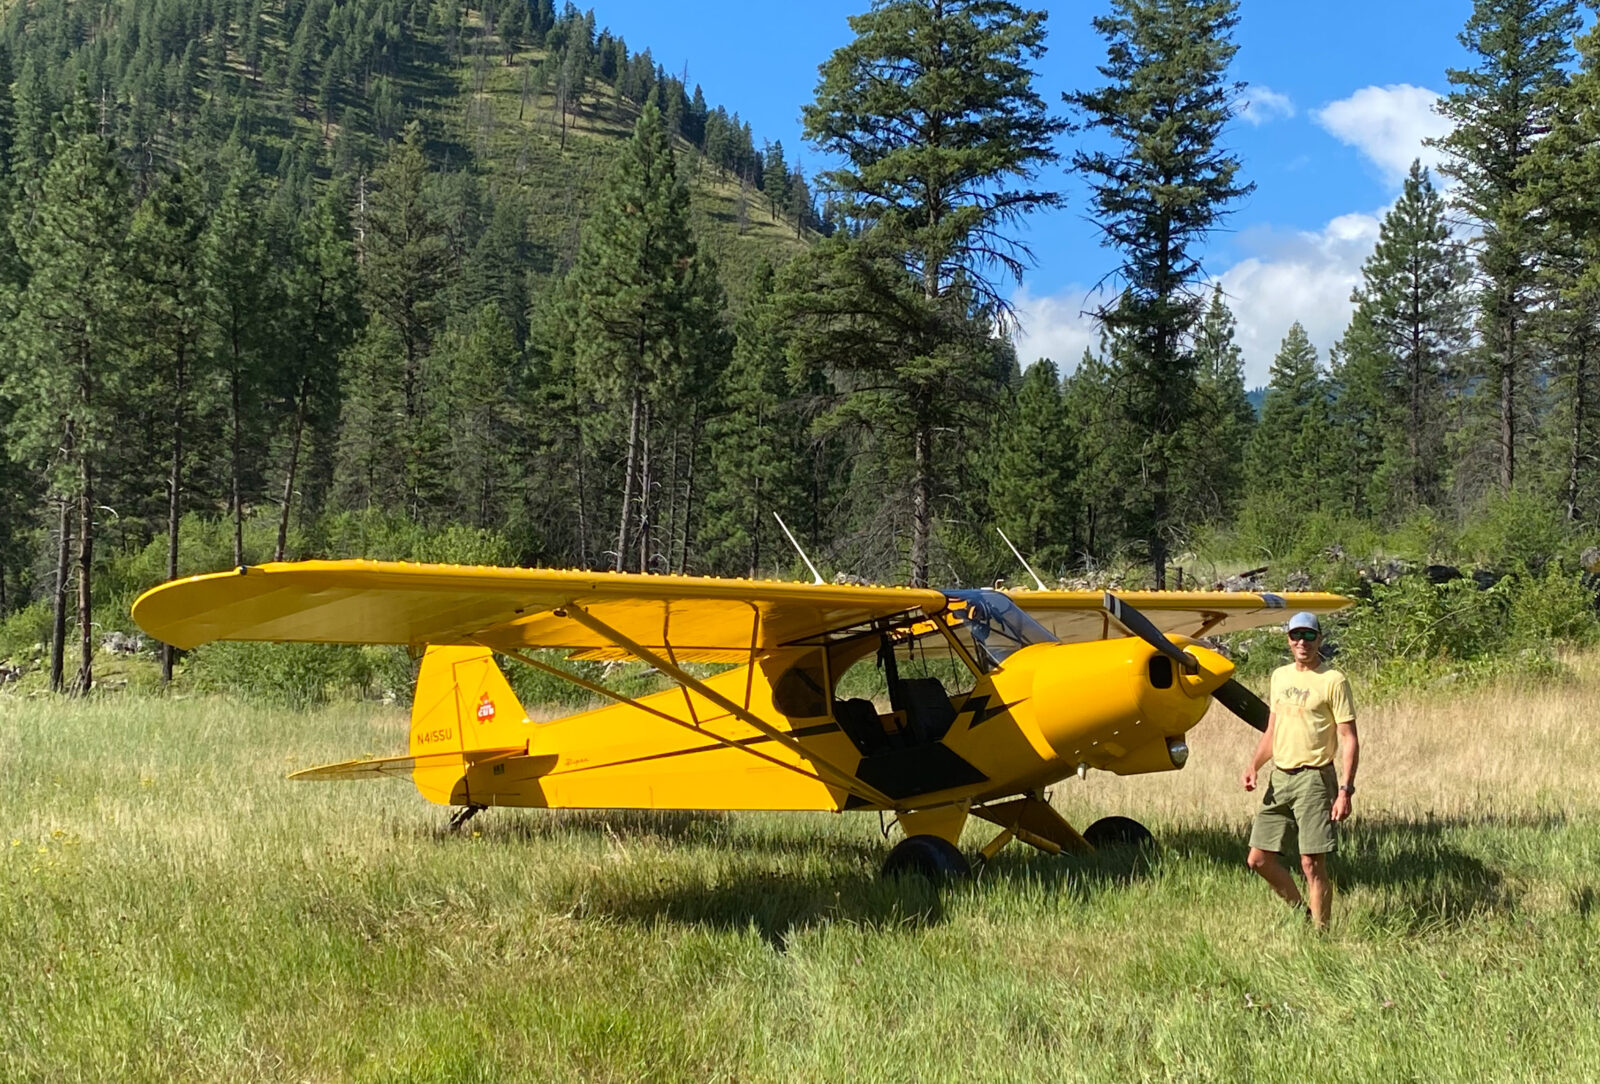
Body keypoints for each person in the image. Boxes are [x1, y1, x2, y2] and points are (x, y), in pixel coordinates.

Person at [1241, 611, 1359, 930]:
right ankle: (1302, 913)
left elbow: (1349, 738)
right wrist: (1254, 764)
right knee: (1258, 859)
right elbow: (1273, 729)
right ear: (1289, 641)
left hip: (1315, 778)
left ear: (1320, 639)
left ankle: (1321, 935)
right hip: (1280, 776)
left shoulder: (1333, 680)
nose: (1302, 643)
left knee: (1311, 864)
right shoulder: (1280, 676)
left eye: (1309, 636)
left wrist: (1345, 791)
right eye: (1296, 636)